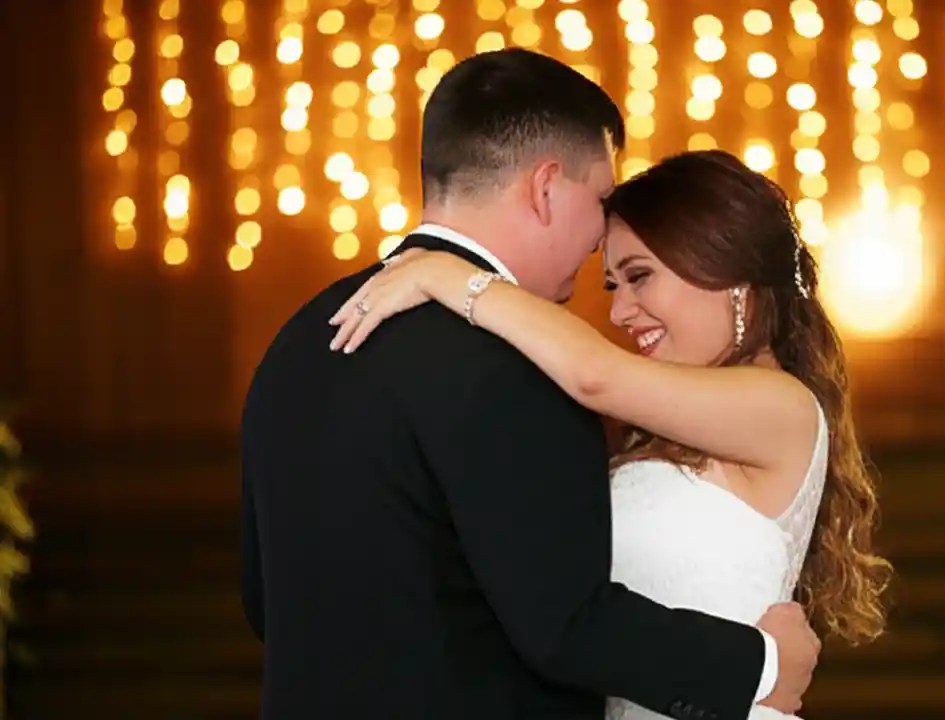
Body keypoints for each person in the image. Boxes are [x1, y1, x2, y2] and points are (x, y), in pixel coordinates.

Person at [241, 48, 821, 720]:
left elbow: (265, 599)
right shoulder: (519, 360)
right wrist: (761, 663)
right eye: (602, 199)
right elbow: (562, 624)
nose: (600, 234)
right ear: (547, 188)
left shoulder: (301, 341)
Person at [329, 148, 893, 720]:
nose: (621, 311)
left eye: (639, 277)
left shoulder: (783, 408)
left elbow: (594, 375)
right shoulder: (651, 432)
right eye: (613, 285)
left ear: (731, 275)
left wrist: (453, 277)